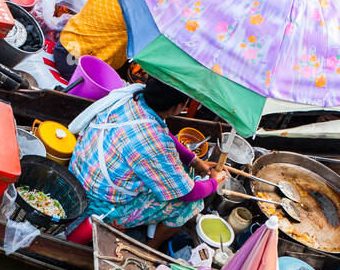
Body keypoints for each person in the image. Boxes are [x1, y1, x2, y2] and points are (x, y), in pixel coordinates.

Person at [68, 76, 227, 240]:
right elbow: (188, 193)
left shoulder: (134, 96)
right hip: (97, 204)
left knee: (181, 172)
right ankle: (151, 247)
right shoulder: (155, 144)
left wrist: (193, 160)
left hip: (78, 173)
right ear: (178, 106)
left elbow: (162, 131)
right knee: (190, 205)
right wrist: (215, 182)